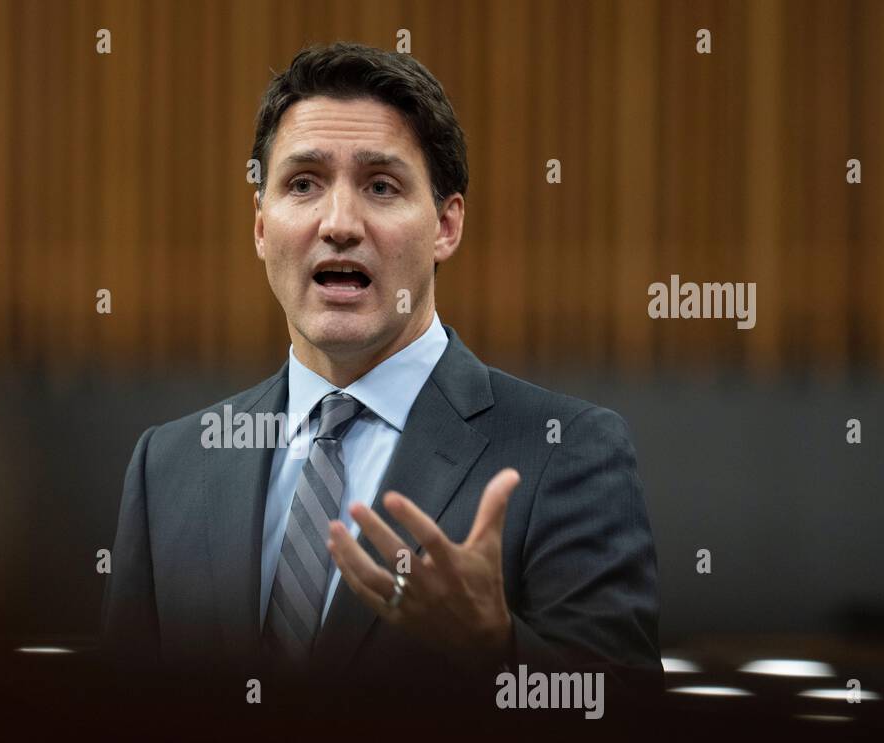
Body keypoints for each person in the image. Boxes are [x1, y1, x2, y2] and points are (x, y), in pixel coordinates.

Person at [101, 42, 660, 694]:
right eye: (302, 183)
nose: (339, 223)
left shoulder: (567, 451)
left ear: (446, 226)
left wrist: (496, 650)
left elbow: (629, 733)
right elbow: (121, 739)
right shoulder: (169, 464)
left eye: (381, 186)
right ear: (260, 226)